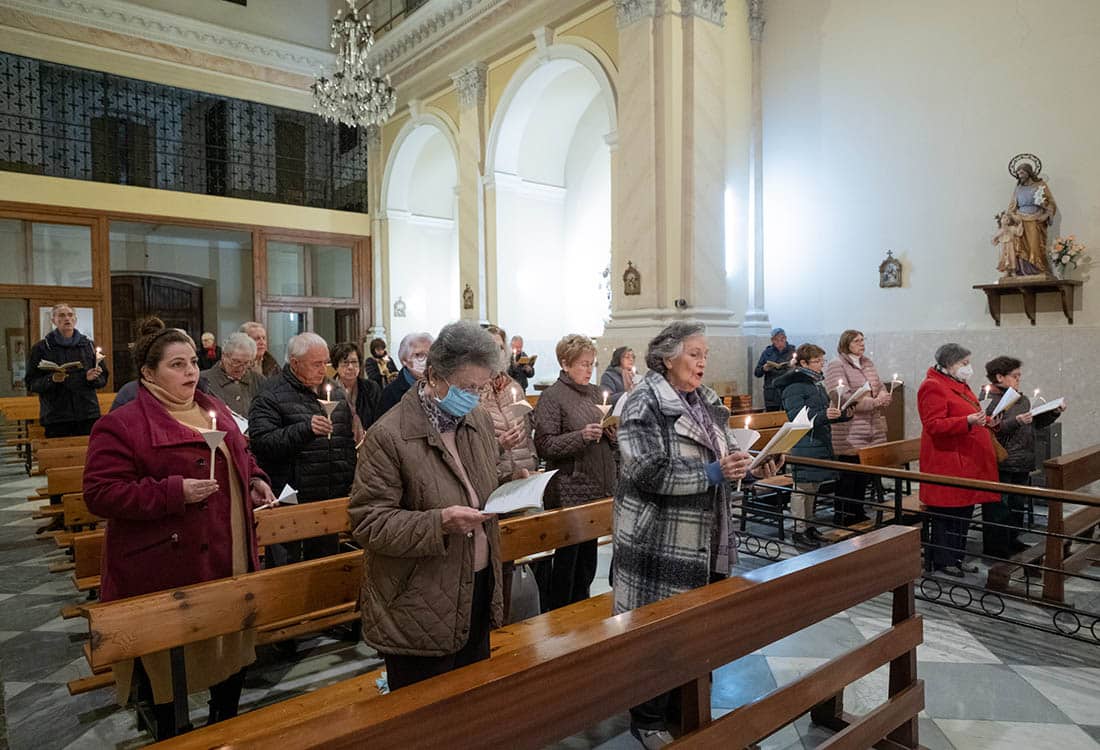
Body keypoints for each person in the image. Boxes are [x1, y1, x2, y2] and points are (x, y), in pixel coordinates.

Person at [82, 318, 275, 739]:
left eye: (191, 363)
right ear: (148, 374)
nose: (190, 372)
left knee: (231, 646)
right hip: (168, 567)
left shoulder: (213, 407)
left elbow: (239, 451)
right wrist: (173, 493)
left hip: (230, 554)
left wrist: (255, 478)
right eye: (176, 365)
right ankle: (174, 737)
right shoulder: (124, 423)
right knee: (172, 668)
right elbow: (100, 493)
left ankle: (223, 730)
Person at [613, 321, 781, 747]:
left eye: (705, 353)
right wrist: (710, 472)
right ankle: (648, 719)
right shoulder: (641, 403)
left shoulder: (705, 403)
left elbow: (725, 459)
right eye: (694, 353)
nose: (703, 361)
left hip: (706, 535)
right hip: (659, 539)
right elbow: (645, 470)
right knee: (659, 638)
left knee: (697, 632)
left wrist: (752, 467)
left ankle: (687, 715)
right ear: (668, 357)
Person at [348, 321, 504, 690]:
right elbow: (368, 522)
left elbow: (476, 484)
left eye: (482, 388)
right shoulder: (389, 435)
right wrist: (440, 523)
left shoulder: (476, 421)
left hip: (476, 584)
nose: (475, 397)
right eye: (467, 388)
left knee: (472, 707)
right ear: (434, 376)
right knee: (426, 722)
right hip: (418, 600)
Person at [249, 332, 356, 564]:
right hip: (291, 497)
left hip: (328, 496)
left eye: (326, 363)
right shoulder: (270, 394)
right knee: (288, 568)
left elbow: (345, 442)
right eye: (316, 364)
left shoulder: (334, 391)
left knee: (325, 566)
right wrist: (304, 430)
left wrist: (348, 478)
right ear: (295, 363)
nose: (323, 370)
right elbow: (262, 443)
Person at [533, 334, 617, 610]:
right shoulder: (552, 397)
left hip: (595, 486)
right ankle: (560, 616)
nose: (588, 370)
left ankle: (582, 614)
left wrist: (612, 434)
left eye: (591, 364)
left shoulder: (595, 393)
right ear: (565, 363)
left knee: (588, 562)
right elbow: (545, 445)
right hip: (568, 487)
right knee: (567, 561)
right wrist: (581, 436)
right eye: (582, 364)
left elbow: (607, 439)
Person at [918, 343, 1000, 577]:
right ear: (949, 364)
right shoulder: (932, 386)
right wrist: (967, 421)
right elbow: (933, 425)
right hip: (946, 461)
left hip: (965, 460)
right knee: (947, 513)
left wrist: (984, 419)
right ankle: (944, 561)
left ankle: (957, 556)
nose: (968, 368)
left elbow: (969, 411)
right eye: (964, 363)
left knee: (963, 511)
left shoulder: (958, 383)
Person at [983, 356, 1065, 557]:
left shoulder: (1022, 399)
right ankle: (996, 548)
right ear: (999, 377)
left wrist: (1053, 413)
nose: (1019, 379)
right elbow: (991, 429)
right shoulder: (989, 400)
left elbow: (1034, 424)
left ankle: (1013, 540)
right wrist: (1017, 421)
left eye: (1019, 375)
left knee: (1017, 505)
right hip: (1002, 461)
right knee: (998, 507)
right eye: (1015, 376)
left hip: (1023, 460)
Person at [778, 343, 850, 549]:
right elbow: (796, 416)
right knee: (802, 488)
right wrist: (823, 415)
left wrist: (840, 415)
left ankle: (809, 526)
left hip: (818, 441)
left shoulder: (815, 383)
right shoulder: (794, 385)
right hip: (803, 443)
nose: (821, 365)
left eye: (822, 360)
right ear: (803, 363)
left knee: (813, 487)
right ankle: (799, 530)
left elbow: (822, 412)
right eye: (817, 361)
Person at [824, 329, 890, 526]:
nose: (862, 343)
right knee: (848, 476)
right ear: (846, 343)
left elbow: (879, 386)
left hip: (872, 427)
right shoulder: (837, 364)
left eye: (863, 340)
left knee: (863, 475)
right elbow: (840, 396)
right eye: (857, 341)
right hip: (850, 429)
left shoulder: (867, 363)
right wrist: (874, 402)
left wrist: (884, 397)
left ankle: (858, 511)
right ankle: (844, 515)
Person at [26, 303, 109, 437]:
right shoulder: (41, 348)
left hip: (87, 413)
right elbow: (31, 383)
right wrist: (51, 379)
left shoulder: (88, 345)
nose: (67, 319)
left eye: (70, 315)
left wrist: (92, 378)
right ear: (53, 320)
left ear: (75, 320)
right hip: (56, 416)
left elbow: (103, 378)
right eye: (62, 315)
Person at [481, 325, 537, 483]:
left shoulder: (514, 387)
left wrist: (533, 458)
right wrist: (499, 444)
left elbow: (526, 429)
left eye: (500, 347)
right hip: (494, 476)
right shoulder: (474, 391)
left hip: (524, 473)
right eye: (490, 347)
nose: (496, 353)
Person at [1006, 155, 1057, 277]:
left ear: (1029, 172)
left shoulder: (1040, 185)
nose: (1020, 175)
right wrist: (1013, 216)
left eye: (1022, 172)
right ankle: (1022, 272)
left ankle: (1037, 269)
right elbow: (1011, 207)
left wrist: (1046, 215)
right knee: (1020, 248)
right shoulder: (1018, 188)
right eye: (1018, 173)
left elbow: (1050, 203)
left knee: (1035, 246)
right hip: (1020, 222)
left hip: (1035, 219)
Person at [199, 333, 263, 417]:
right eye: (236, 362)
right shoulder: (203, 381)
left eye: (247, 363)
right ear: (224, 356)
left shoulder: (259, 381)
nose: (241, 368)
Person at [330, 341, 382, 445]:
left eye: (354, 362)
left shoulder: (371, 388)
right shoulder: (327, 390)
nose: (350, 367)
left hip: (368, 444)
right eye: (345, 362)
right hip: (337, 445)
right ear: (336, 366)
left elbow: (379, 419)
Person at [753, 327, 796, 411]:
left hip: (788, 390)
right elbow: (757, 373)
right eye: (776, 340)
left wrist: (794, 366)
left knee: (788, 416)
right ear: (772, 340)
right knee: (772, 417)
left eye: (782, 339)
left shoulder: (793, 351)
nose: (780, 342)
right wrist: (764, 368)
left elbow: (801, 369)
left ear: (785, 338)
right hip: (771, 391)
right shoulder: (767, 353)